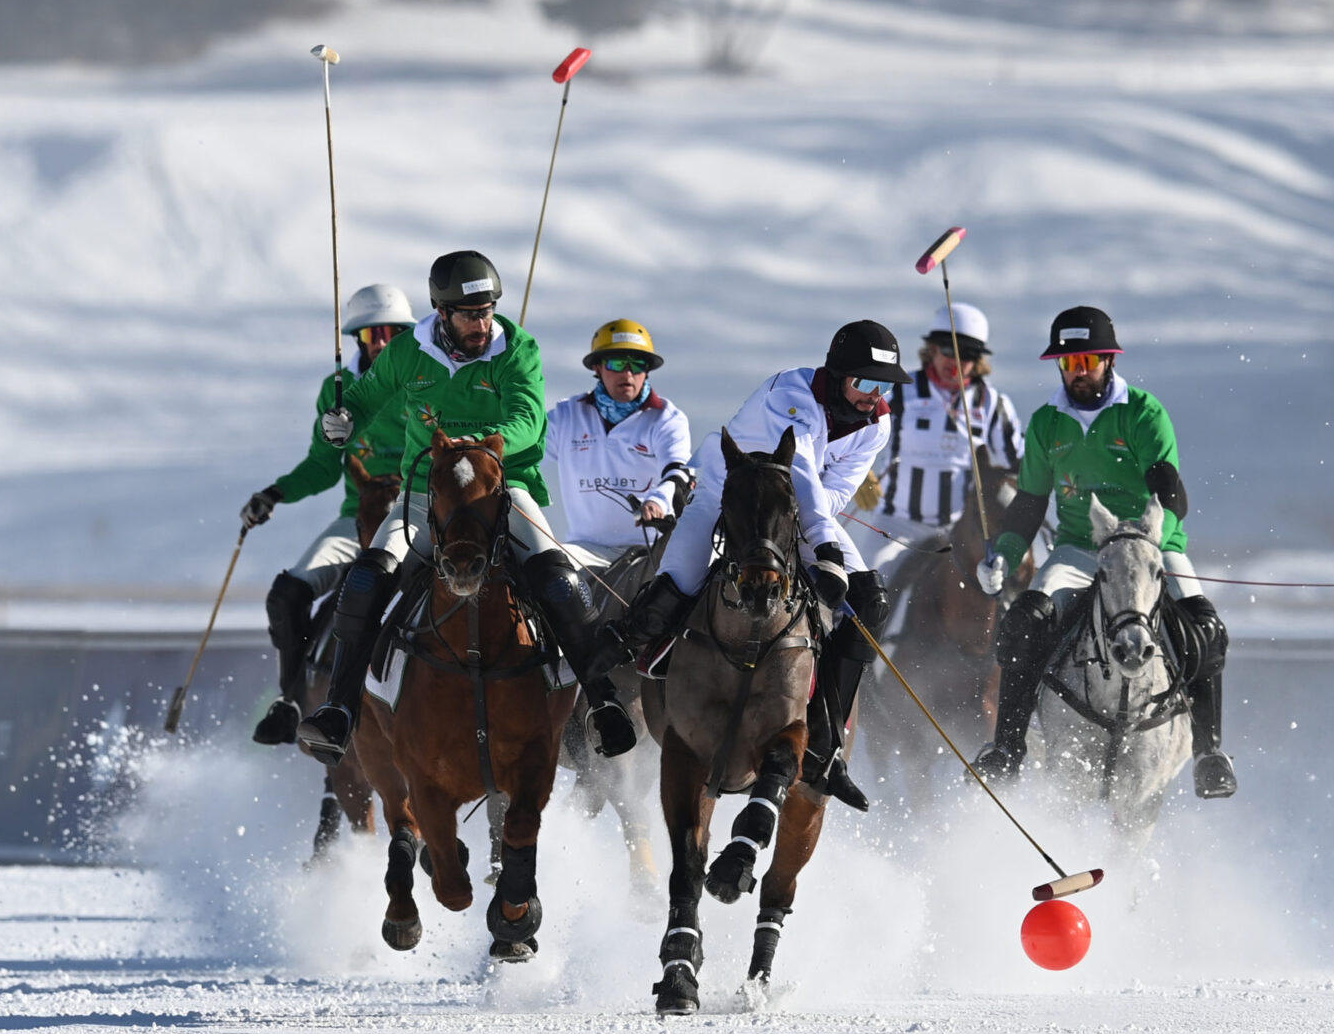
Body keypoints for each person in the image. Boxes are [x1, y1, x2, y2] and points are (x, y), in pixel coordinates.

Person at [292, 250, 638, 766]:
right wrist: (341, 422)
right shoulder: (409, 351)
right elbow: (363, 399)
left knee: (559, 579)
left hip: (503, 490)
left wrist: (479, 446)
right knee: (366, 578)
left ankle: (603, 702)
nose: (482, 324)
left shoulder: (516, 349)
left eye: (488, 311)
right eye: (470, 315)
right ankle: (339, 710)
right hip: (424, 496)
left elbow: (528, 420)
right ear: (441, 312)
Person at [598, 321, 902, 811]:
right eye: (866, 382)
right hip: (728, 496)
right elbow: (801, 467)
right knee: (673, 588)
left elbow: (835, 490)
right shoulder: (792, 394)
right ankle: (602, 690)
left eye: (884, 386)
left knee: (871, 602)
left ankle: (827, 748)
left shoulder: (878, 424)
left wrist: (812, 539)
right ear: (839, 374)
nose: (875, 396)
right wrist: (823, 543)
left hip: (790, 513)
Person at [969, 306, 1237, 798]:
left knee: (1205, 629)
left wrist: (1154, 532)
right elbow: (1030, 504)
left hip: (1149, 546)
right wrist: (1004, 554)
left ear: (1109, 361)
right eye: (1068, 363)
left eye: (1087, 361)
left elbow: (1171, 496)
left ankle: (1209, 753)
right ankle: (1007, 749)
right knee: (1024, 622)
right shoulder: (1047, 423)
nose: (1078, 372)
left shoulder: (1143, 413)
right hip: (1079, 549)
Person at [240, 283, 415, 746]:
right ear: (358, 339)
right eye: (372, 334)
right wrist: (275, 493)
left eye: (393, 333)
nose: (382, 343)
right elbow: (322, 466)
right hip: (358, 517)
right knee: (287, 594)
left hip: (419, 515)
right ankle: (292, 701)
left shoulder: (424, 378)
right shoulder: (336, 390)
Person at [854, 303, 1024, 574]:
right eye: (948, 350)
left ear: (978, 359)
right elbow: (854, 431)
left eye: (967, 354)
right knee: (867, 585)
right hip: (897, 525)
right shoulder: (899, 392)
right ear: (932, 349)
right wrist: (862, 473)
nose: (956, 361)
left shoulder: (992, 404)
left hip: (958, 531)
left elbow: (1018, 465)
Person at [544, 319, 694, 571]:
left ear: (647, 370)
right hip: (584, 549)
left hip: (651, 550)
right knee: (547, 574)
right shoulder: (566, 415)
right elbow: (524, 454)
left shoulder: (667, 419)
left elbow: (678, 472)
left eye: (637, 364)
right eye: (616, 363)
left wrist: (658, 500)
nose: (627, 373)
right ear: (598, 367)